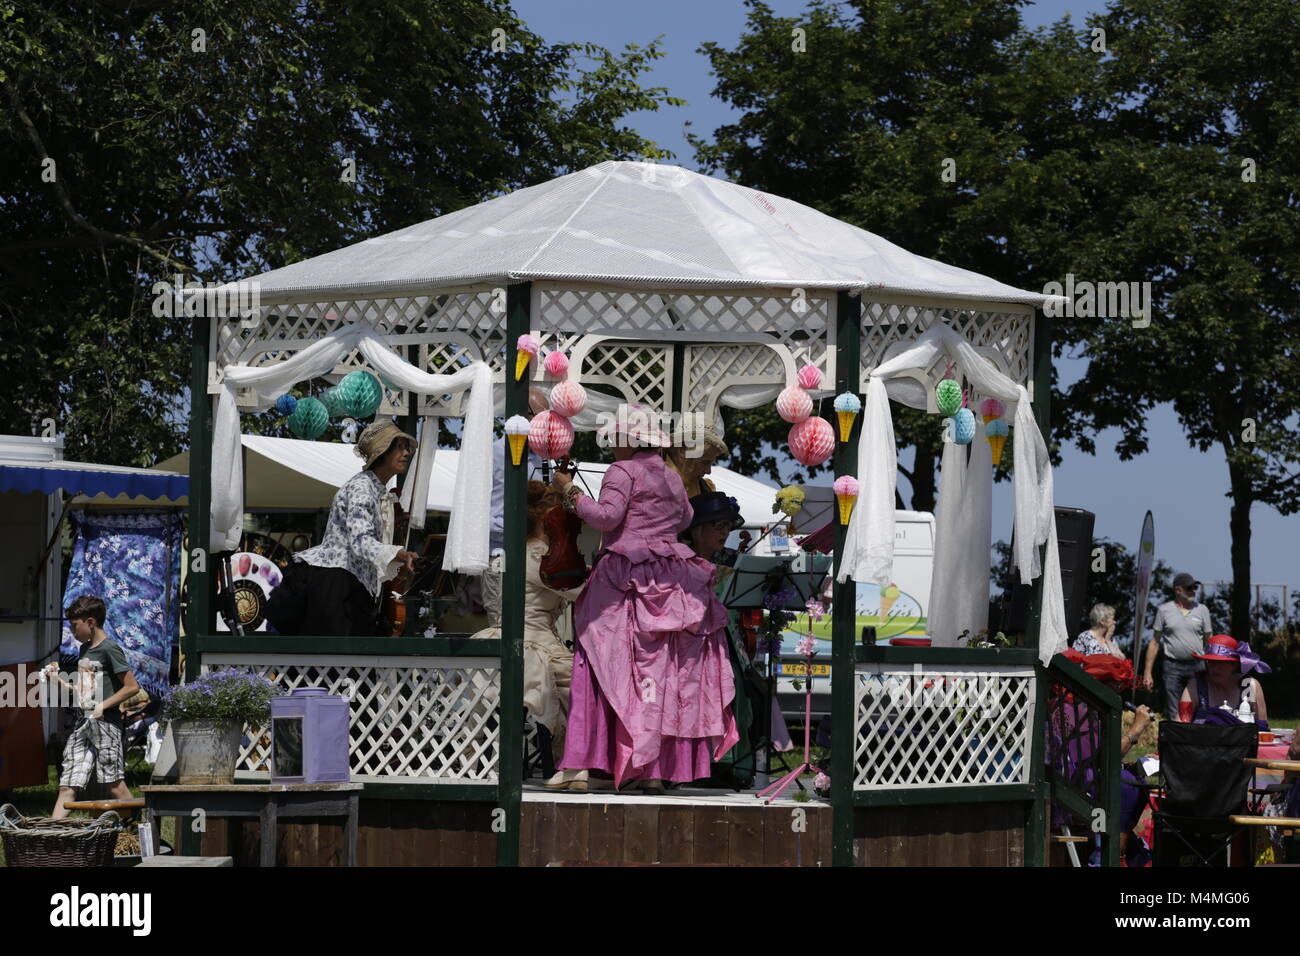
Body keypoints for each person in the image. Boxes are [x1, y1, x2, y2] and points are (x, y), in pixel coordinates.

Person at [554, 405, 738, 793]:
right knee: (658, 678)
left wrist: (568, 492)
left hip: (622, 581)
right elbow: (686, 519)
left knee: (604, 670)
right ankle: (654, 771)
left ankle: (582, 767)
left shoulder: (623, 470)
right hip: (671, 579)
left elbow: (605, 517)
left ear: (629, 439)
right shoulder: (670, 477)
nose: (612, 446)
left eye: (615, 437)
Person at [471, 481, 582, 784]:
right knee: (587, 684)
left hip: (497, 635)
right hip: (534, 641)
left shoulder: (504, 555)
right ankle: (576, 761)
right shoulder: (542, 557)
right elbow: (580, 592)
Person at [265, 419, 419, 636]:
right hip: (334, 586)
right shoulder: (362, 488)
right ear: (382, 452)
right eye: (400, 447)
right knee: (339, 664)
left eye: (408, 447)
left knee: (347, 665)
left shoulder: (376, 490)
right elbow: (360, 542)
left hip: (345, 585)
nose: (406, 453)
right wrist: (399, 553)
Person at [682, 491, 793, 786]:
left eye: (727, 526)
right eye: (717, 525)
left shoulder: (731, 560)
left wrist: (775, 578)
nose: (725, 532)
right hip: (690, 649)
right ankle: (698, 768)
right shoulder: (680, 560)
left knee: (743, 701)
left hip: (728, 645)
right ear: (697, 529)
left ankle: (735, 768)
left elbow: (761, 582)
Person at [46, 596, 139, 818]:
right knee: (68, 785)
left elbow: (132, 687)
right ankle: (50, 837)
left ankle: (138, 833)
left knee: (114, 785)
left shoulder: (110, 649)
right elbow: (84, 692)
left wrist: (103, 706)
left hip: (106, 724)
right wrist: (58, 681)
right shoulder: (84, 650)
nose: (72, 631)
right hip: (82, 724)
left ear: (90, 622)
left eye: (74, 625)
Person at [1141, 572, 1213, 719]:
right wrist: (1148, 672)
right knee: (1174, 709)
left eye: (1195, 587)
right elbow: (1155, 642)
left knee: (1199, 705)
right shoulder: (1164, 610)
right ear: (1177, 590)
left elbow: (1209, 640)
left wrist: (1212, 666)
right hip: (1172, 667)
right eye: (1189, 588)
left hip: (1197, 665)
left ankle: (1198, 736)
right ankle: (1177, 737)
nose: (1193, 591)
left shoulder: (1202, 610)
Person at [1178, 634, 1270, 726]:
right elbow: (1180, 724)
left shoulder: (1250, 686)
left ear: (1234, 665)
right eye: (1211, 662)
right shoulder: (1195, 686)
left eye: (1221, 663)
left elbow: (1263, 729)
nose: (1215, 668)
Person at [666, 416, 729, 498]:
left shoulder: (705, 488)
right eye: (705, 462)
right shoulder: (653, 479)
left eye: (711, 464)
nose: (708, 471)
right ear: (682, 450)